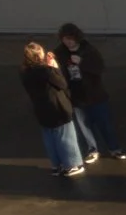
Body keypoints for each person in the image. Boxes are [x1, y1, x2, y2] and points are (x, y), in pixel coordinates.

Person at [57, 22, 124, 162]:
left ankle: (114, 149)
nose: (67, 42)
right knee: (84, 125)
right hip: (76, 94)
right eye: (65, 39)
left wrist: (82, 62)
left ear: (76, 38)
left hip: (95, 94)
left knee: (104, 123)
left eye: (70, 39)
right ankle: (93, 149)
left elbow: (99, 68)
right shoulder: (60, 52)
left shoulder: (88, 51)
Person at [21, 42, 85, 178]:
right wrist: (54, 67)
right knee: (65, 136)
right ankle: (71, 164)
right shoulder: (46, 71)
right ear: (39, 55)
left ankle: (57, 165)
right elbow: (62, 83)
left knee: (50, 137)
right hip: (57, 108)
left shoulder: (25, 72)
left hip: (41, 109)